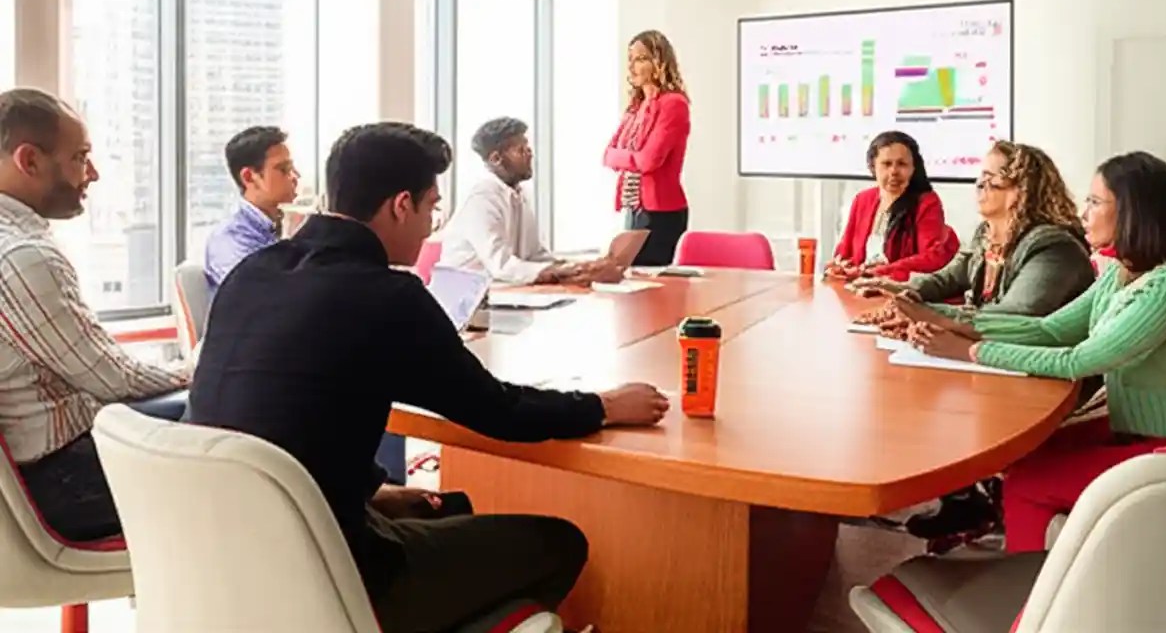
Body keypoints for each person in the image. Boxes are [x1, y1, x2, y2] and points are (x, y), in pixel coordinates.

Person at [186, 121, 670, 633]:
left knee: (445, 505)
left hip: (228, 563)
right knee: (559, 542)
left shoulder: (253, 274)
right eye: (431, 208)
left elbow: (277, 418)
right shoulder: (388, 297)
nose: (432, 227)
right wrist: (602, 406)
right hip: (332, 575)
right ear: (401, 204)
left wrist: (370, 491)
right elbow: (498, 411)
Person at [900, 151, 1166, 552]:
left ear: (1133, 214)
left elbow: (1078, 360)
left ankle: (1035, 609)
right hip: (1143, 428)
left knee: (1028, 485)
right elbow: (1050, 328)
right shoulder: (1120, 273)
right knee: (1026, 453)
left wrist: (970, 351)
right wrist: (950, 319)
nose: (1082, 213)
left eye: (1094, 202)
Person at [0, 88, 189, 542]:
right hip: (60, 482)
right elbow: (114, 380)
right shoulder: (22, 257)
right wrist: (199, 367)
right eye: (80, 157)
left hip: (49, 468)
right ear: (29, 160)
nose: (94, 173)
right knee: (253, 447)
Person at [852, 141, 1094, 325]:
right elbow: (946, 280)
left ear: (1023, 191)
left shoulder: (1053, 248)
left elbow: (1013, 316)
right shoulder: (985, 235)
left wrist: (924, 315)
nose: (980, 187)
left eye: (991, 181)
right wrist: (891, 288)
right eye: (980, 179)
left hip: (1049, 378)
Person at [441, 117, 620, 285]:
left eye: (528, 148)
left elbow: (535, 256)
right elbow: (502, 266)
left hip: (502, 293)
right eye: (521, 150)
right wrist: (567, 271)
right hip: (469, 301)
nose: (529, 154)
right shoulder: (482, 199)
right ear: (496, 159)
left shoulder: (518, 194)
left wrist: (581, 266)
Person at [603, 30, 691, 267]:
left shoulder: (674, 104)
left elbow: (650, 161)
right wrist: (633, 158)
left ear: (658, 62)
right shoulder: (636, 106)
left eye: (640, 59)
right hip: (634, 206)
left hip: (661, 212)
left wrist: (627, 158)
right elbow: (608, 155)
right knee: (632, 281)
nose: (632, 67)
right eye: (630, 59)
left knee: (652, 290)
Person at [825, 131, 959, 282]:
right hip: (858, 288)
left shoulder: (927, 202)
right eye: (886, 164)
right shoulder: (862, 199)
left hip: (900, 290)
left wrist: (879, 272)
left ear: (913, 168)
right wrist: (839, 265)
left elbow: (930, 259)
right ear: (873, 167)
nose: (894, 171)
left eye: (902, 164)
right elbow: (845, 250)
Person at [204, 125, 299, 293]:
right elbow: (268, 295)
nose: (295, 177)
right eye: (283, 170)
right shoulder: (229, 239)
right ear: (249, 177)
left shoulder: (280, 227)